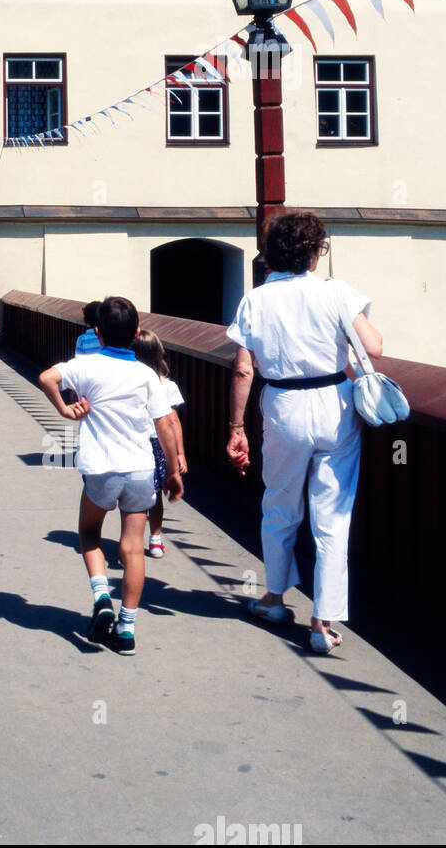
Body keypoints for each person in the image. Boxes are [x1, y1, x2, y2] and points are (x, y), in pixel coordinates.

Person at [225, 211, 382, 655]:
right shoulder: (334, 292)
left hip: (283, 406)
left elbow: (242, 369)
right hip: (335, 405)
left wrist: (236, 427)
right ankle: (321, 623)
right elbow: (373, 347)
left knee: (278, 503)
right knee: (333, 518)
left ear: (273, 253)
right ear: (316, 252)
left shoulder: (255, 300)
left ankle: (274, 599)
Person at [38, 296, 184, 656]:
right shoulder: (147, 374)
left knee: (89, 533)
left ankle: (102, 595)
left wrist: (66, 409)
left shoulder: (85, 364)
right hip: (140, 468)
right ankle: (127, 628)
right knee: (133, 548)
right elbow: (164, 423)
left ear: (98, 332)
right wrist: (174, 470)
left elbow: (46, 377)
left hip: (100, 467)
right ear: (136, 333)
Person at [133, 329, 187, 558]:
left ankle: (131, 542)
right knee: (155, 495)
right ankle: (155, 539)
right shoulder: (167, 385)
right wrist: (180, 453)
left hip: (134, 443)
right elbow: (173, 422)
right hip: (159, 445)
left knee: (134, 498)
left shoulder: (128, 383)